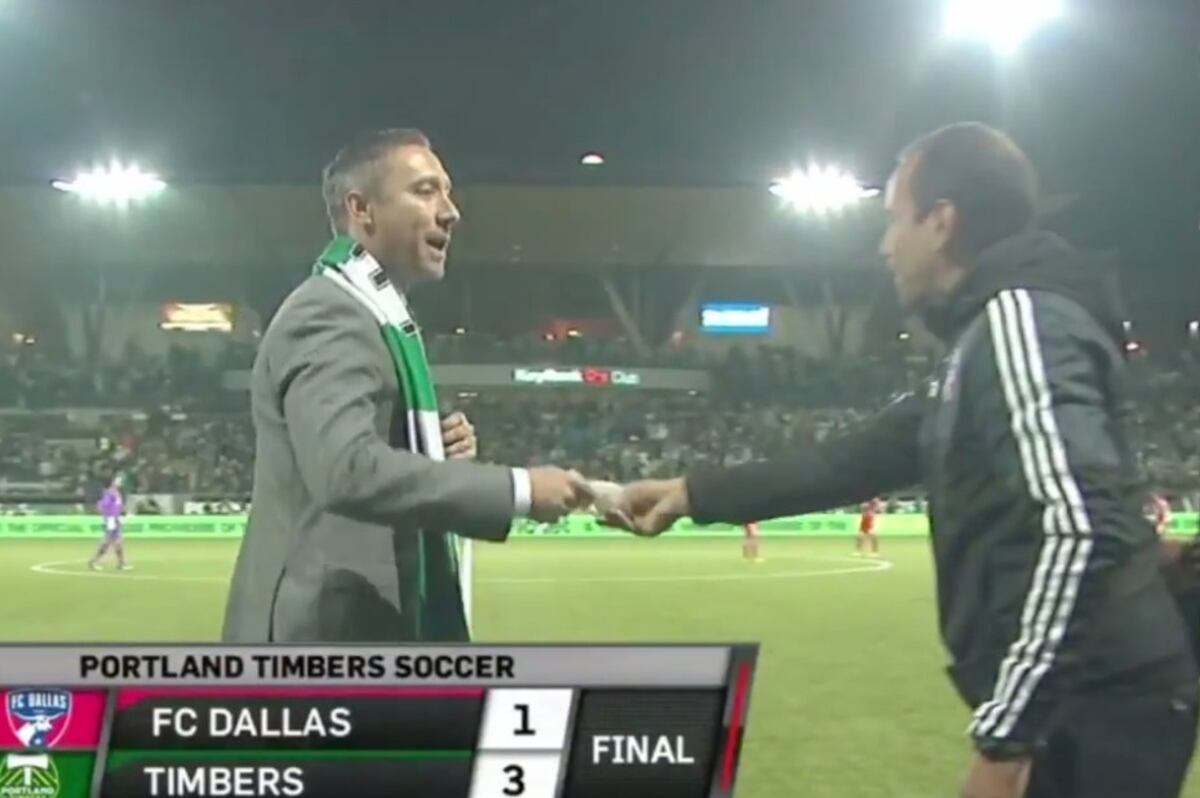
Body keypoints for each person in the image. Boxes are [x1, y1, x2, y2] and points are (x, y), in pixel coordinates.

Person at [610, 123, 1199, 798]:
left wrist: (1006, 745)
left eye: (894, 219)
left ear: (942, 222)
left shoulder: (1020, 323)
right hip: (1094, 700)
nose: (884, 245)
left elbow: (1079, 529)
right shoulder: (987, 337)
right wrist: (694, 492)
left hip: (1095, 709)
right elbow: (855, 460)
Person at [222, 129, 597, 643]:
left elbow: (351, 451)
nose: (451, 212)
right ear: (362, 209)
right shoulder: (329, 313)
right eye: (425, 191)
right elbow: (344, 469)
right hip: (323, 639)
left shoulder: (373, 314)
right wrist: (521, 489)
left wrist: (424, 448)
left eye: (447, 192)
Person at [88, 474, 131, 571]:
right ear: (113, 482)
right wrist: (108, 517)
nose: (120, 482)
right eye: (118, 480)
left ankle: (121, 563)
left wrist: (123, 514)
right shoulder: (110, 493)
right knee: (107, 541)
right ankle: (94, 561)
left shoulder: (117, 493)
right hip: (111, 520)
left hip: (115, 519)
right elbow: (103, 505)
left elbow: (118, 507)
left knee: (118, 541)